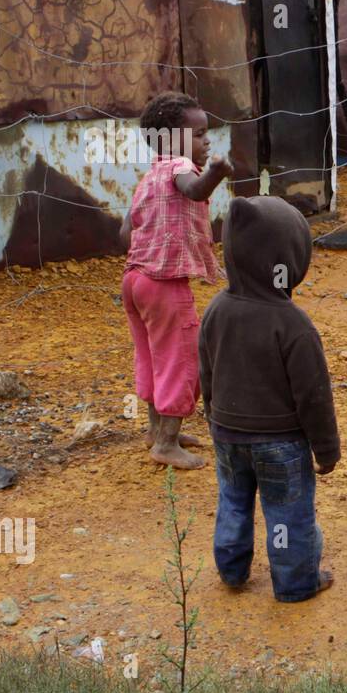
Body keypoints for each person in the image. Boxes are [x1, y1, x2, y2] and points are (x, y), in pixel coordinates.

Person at [199, 196, 339, 602]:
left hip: (227, 434)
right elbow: (313, 396)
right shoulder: (292, 324)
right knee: (286, 515)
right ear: (290, 261)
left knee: (233, 502)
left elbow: (206, 369)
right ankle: (295, 583)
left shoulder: (216, 310)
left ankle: (231, 569)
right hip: (281, 443)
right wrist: (326, 449)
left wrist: (213, 416)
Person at [121, 91, 231, 469]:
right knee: (182, 360)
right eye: (199, 133)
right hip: (165, 285)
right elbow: (195, 190)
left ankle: (158, 430)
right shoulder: (180, 168)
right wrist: (216, 172)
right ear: (171, 139)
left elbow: (125, 231)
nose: (207, 141)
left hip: (135, 280)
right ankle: (166, 445)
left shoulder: (148, 178)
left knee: (153, 357)